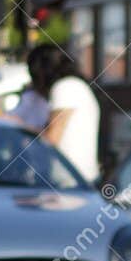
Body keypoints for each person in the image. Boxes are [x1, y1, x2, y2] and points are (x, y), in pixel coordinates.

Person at [29, 44, 100, 183]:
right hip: (81, 180)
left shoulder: (64, 88)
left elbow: (51, 139)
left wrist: (18, 127)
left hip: (69, 184)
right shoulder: (76, 86)